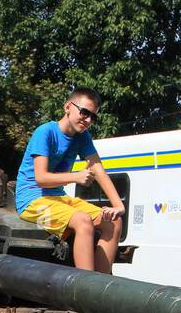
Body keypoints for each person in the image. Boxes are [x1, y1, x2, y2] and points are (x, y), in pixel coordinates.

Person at [16, 88, 126, 274]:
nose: (88, 120)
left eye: (93, 116)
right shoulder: (45, 132)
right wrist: (76, 177)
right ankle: (86, 289)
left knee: (114, 223)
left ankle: (103, 287)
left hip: (58, 198)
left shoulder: (82, 137)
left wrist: (118, 206)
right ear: (68, 107)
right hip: (31, 200)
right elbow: (41, 179)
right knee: (83, 221)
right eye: (84, 112)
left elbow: (98, 169)